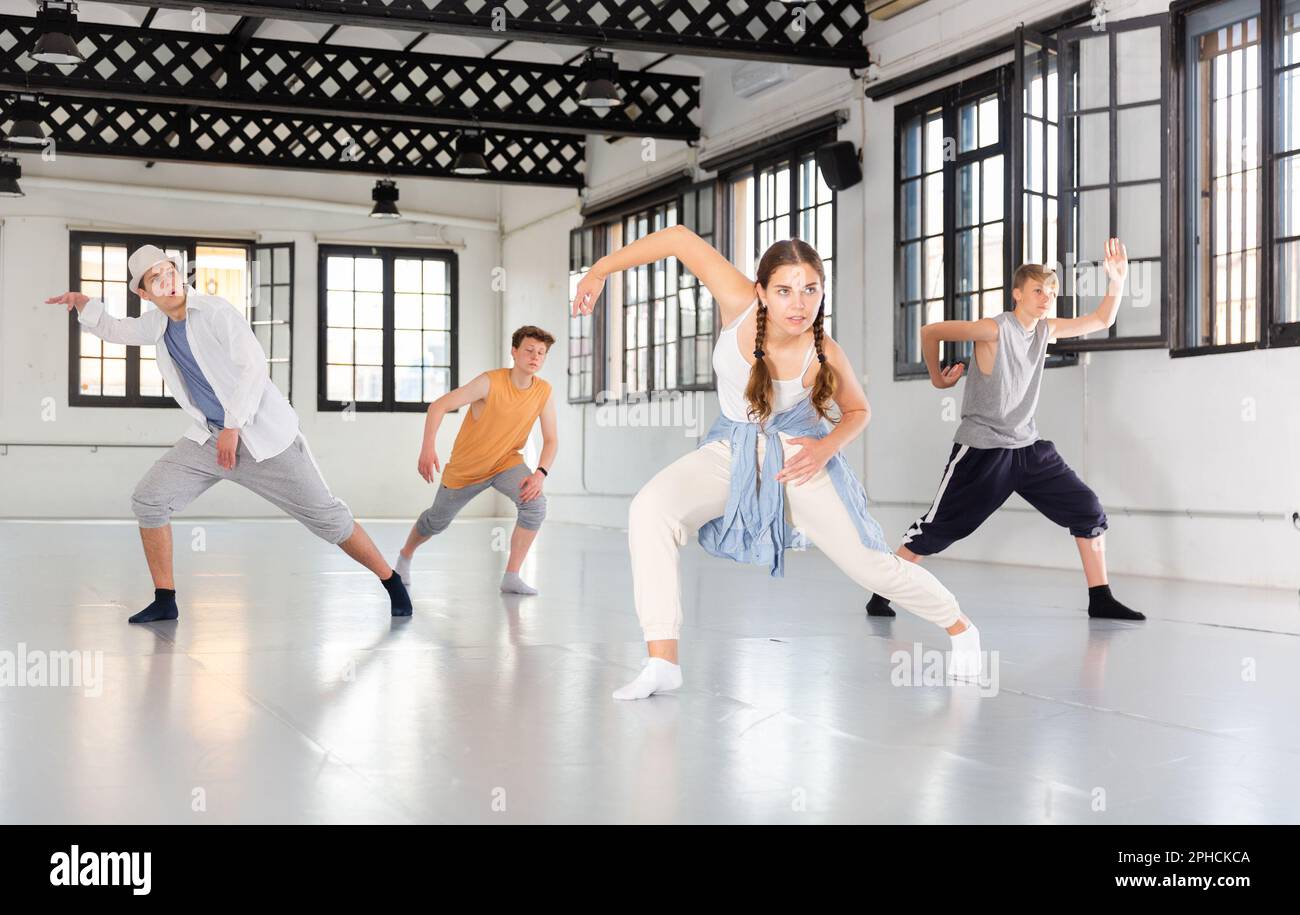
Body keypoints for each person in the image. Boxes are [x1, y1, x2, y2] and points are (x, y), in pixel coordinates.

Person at [571, 226, 980, 700]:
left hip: (800, 460)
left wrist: (825, 449)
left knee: (872, 567)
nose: (798, 304)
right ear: (762, 292)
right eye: (785, 290)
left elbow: (859, 411)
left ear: (822, 293)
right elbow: (680, 239)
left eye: (810, 290)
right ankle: (663, 662)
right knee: (649, 510)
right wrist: (599, 271)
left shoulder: (824, 351)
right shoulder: (738, 301)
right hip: (733, 450)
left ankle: (961, 627)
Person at [47, 244, 411, 623]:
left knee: (329, 519)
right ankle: (165, 598)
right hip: (210, 439)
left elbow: (253, 367)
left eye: (168, 270)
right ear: (144, 293)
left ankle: (391, 580)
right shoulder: (156, 324)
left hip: (264, 440)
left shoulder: (216, 313)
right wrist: (84, 304)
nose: (166, 281)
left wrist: (234, 426)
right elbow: (115, 329)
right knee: (149, 499)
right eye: (155, 278)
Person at [865, 238, 1144, 622]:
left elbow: (1101, 320)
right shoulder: (993, 329)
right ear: (1017, 294)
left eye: (1051, 291)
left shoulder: (1045, 331)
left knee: (1088, 510)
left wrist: (1118, 280)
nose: (1045, 298)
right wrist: (937, 380)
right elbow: (931, 331)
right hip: (983, 451)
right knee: (937, 528)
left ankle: (1101, 598)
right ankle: (882, 592)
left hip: (1028, 449)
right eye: (1037, 291)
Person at [394, 326, 557, 596]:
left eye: (541, 353)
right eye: (529, 350)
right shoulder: (489, 382)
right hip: (467, 469)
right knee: (436, 521)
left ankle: (512, 576)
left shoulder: (543, 392)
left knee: (535, 504)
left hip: (506, 463)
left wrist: (540, 473)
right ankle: (405, 556)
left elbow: (551, 439)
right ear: (514, 352)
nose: (535, 356)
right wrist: (427, 448)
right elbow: (439, 406)